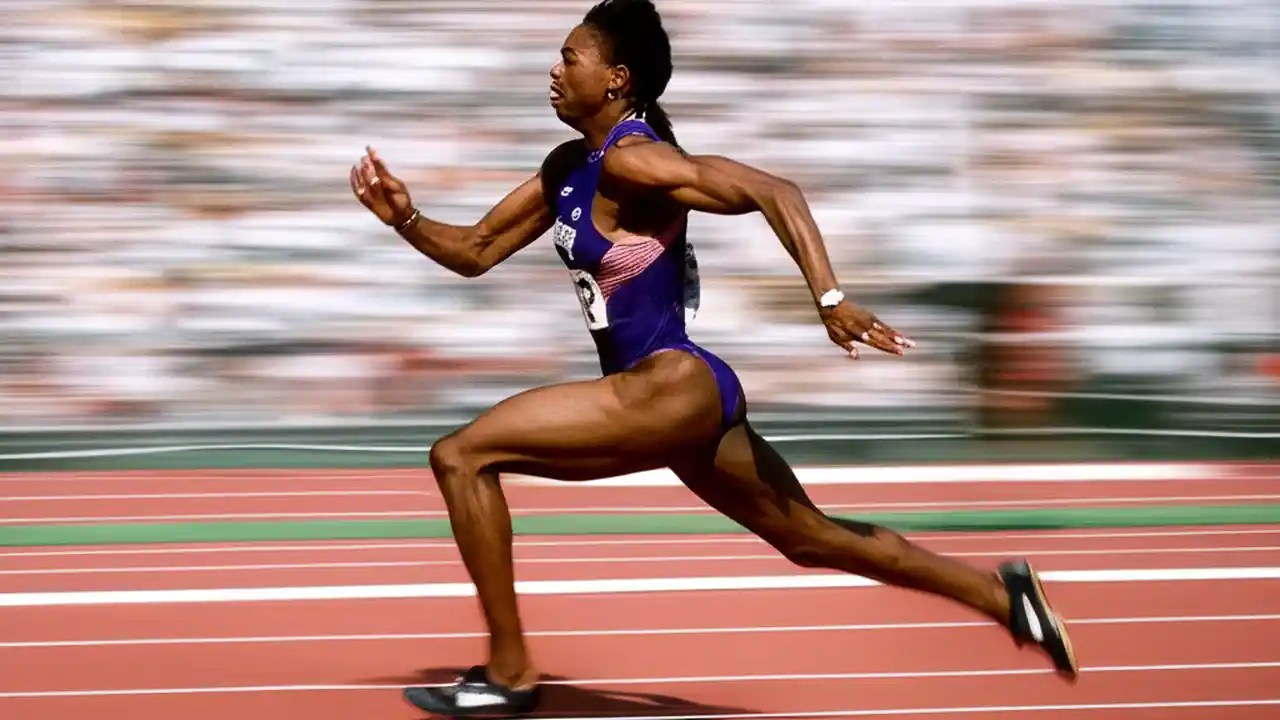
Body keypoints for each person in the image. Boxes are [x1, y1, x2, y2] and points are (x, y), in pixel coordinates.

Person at [349, 0, 1077, 714]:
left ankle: (509, 673)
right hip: (681, 398)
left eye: (569, 57)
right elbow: (475, 250)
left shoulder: (636, 161)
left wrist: (830, 300)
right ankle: (1001, 593)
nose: (553, 69)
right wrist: (405, 219)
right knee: (810, 539)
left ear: (616, 79)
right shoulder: (570, 166)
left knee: (462, 456)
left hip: (669, 386)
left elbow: (773, 190)